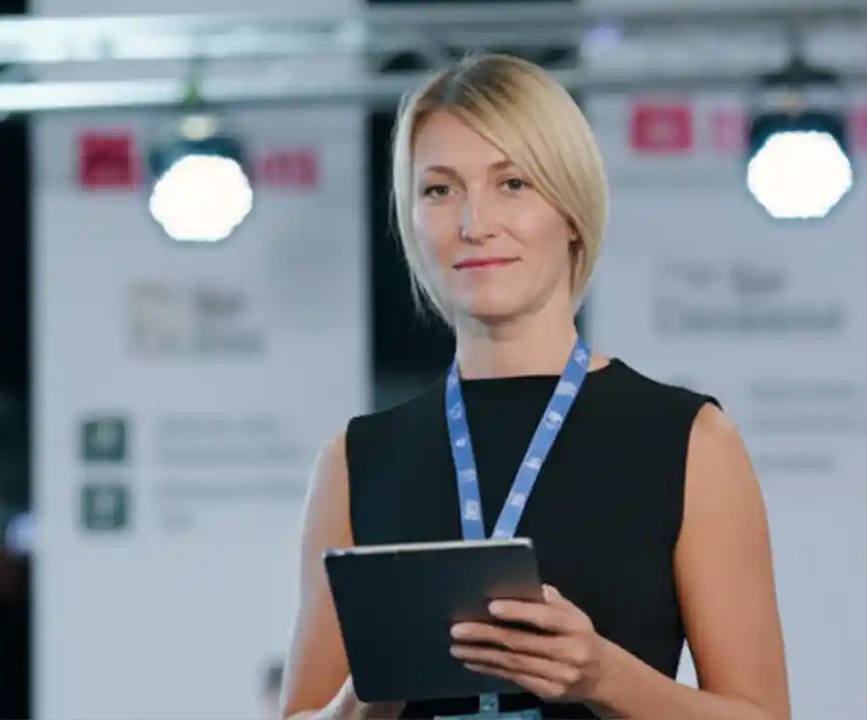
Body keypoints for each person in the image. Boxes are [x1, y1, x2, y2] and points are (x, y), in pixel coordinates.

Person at [278, 54, 789, 720]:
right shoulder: (357, 460)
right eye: (439, 190)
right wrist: (370, 691)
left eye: (512, 184)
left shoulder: (688, 440)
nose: (474, 223)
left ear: (571, 209)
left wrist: (606, 677)